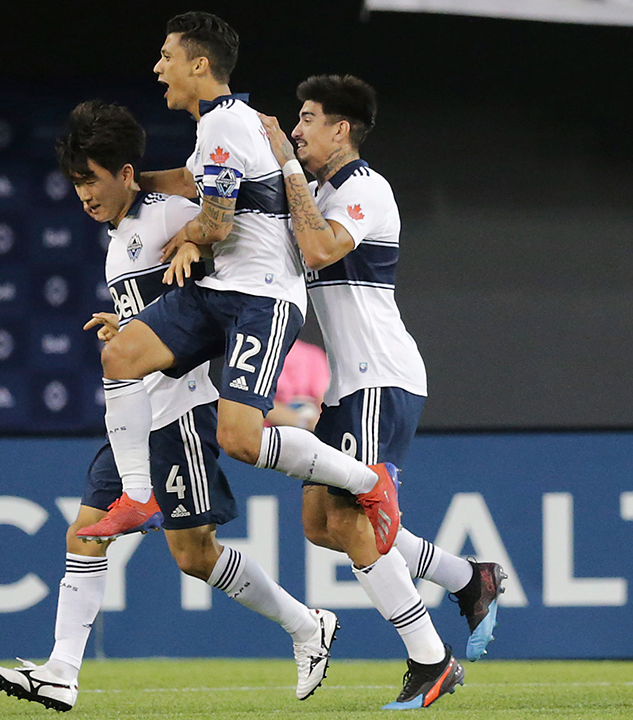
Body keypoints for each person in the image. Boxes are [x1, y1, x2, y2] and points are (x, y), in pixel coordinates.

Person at [0, 101, 337, 712]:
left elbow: (229, 249)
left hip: (183, 410)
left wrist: (199, 239)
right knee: (88, 533)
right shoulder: (121, 236)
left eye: (90, 181)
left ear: (125, 173)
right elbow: (164, 308)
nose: (83, 197)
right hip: (136, 409)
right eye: (75, 185)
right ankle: (62, 671)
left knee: (194, 554)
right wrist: (121, 320)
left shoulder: (173, 209)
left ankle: (307, 625)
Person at [77, 11, 401, 562]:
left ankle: (367, 482)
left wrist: (184, 235)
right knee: (122, 355)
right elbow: (188, 181)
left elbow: (218, 222)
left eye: (167, 56)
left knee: (241, 439)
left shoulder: (226, 125)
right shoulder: (220, 126)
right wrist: (124, 180)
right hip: (222, 288)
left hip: (262, 295)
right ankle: (137, 495)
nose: (158, 69)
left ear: (199, 64)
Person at [258, 74, 507, 709]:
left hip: (379, 375)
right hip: (349, 384)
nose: (297, 128)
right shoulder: (315, 190)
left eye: (308, 118)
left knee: (355, 516)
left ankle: (430, 659)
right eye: (296, 118)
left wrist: (286, 167)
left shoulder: (367, 189)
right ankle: (465, 577)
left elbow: (316, 250)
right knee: (321, 523)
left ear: (341, 129)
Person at [266, 338, 328, 431]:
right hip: (268, 433)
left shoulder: (313, 354)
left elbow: (324, 400)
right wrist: (301, 422)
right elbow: (258, 403)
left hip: (310, 430)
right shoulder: (260, 354)